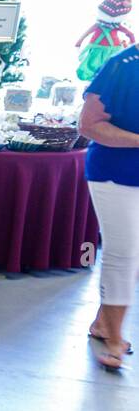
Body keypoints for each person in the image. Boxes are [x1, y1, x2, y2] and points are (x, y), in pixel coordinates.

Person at [78, 43, 139, 370]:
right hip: (117, 174)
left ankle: (103, 323)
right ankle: (115, 340)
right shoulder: (123, 64)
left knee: (135, 253)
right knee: (123, 253)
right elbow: (88, 126)